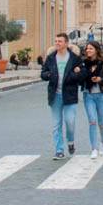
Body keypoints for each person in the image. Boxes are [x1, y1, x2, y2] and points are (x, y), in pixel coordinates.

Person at [41, 32, 84, 160]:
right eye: (56, 41)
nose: (57, 43)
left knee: (70, 122)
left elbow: (82, 74)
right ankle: (59, 150)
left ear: (66, 43)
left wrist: (74, 74)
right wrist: (48, 75)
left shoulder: (74, 58)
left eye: (59, 41)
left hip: (69, 95)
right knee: (56, 125)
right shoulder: (50, 58)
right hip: (55, 95)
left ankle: (70, 142)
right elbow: (43, 73)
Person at [80, 40, 103, 158]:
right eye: (87, 48)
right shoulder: (83, 64)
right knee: (92, 122)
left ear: (96, 50)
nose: (88, 50)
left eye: (90, 48)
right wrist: (79, 73)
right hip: (88, 95)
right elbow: (80, 80)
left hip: (101, 96)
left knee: (102, 124)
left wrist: (100, 80)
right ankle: (93, 148)